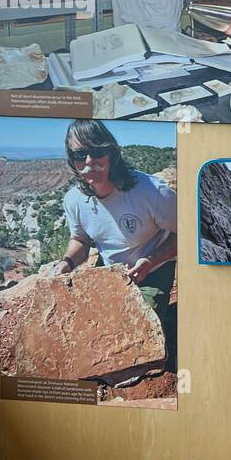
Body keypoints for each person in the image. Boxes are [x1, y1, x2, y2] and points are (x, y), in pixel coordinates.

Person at [53, 120, 179, 364]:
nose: (89, 161)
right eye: (80, 155)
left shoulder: (152, 192)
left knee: (136, 330)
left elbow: (188, 233)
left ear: (112, 153)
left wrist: (151, 260)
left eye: (97, 152)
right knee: (87, 324)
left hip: (153, 268)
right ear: (72, 160)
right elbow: (80, 239)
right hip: (110, 269)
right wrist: (66, 263)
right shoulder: (74, 200)